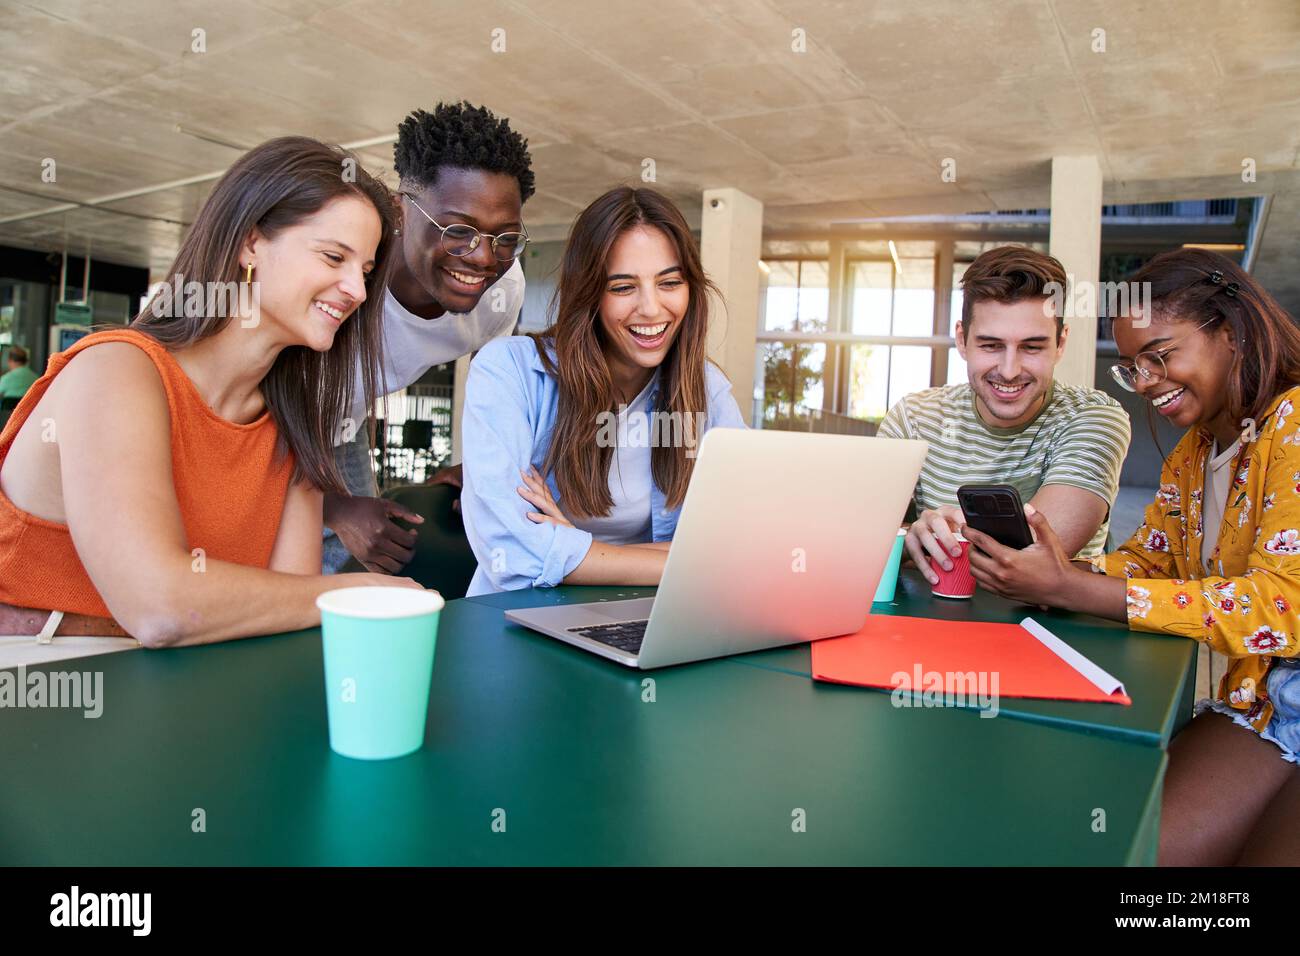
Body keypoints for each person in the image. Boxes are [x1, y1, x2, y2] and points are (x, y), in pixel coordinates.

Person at [0, 136, 422, 652]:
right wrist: (356, 590)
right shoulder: (115, 370)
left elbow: (287, 610)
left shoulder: (293, 424)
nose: (356, 290)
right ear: (249, 244)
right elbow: (160, 607)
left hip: (190, 686)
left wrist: (309, 599)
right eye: (334, 256)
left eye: (365, 271)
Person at [963, 248, 1300, 865]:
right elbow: (1150, 565)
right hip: (1265, 700)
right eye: (1132, 368)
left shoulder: (1295, 425)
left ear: (1230, 331)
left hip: (1278, 684)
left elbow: (1282, 606)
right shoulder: (1195, 455)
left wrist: (1076, 590)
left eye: (1160, 357)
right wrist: (1055, 573)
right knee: (1137, 858)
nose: (1146, 383)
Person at [460, 186, 744, 595]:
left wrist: (579, 550)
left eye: (669, 282)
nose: (651, 308)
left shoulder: (705, 390)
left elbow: (742, 549)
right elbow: (512, 555)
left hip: (647, 618)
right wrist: (679, 561)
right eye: (623, 287)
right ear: (589, 295)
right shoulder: (508, 372)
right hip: (519, 621)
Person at [321, 102, 532, 575]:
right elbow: (251, 413)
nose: (482, 258)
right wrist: (332, 508)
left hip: (343, 418)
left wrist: (477, 465)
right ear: (400, 210)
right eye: (458, 230)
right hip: (273, 419)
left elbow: (495, 390)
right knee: (301, 560)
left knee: (356, 568)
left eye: (505, 238)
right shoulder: (349, 279)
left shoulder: (504, 289)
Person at [878, 245, 1131, 582]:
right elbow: (860, 539)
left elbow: (1034, 557)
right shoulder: (913, 417)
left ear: (1060, 344)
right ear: (962, 340)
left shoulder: (1094, 417)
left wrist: (915, 543)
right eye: (991, 345)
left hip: (1050, 629)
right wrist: (911, 538)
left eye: (1032, 346)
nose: (1010, 371)